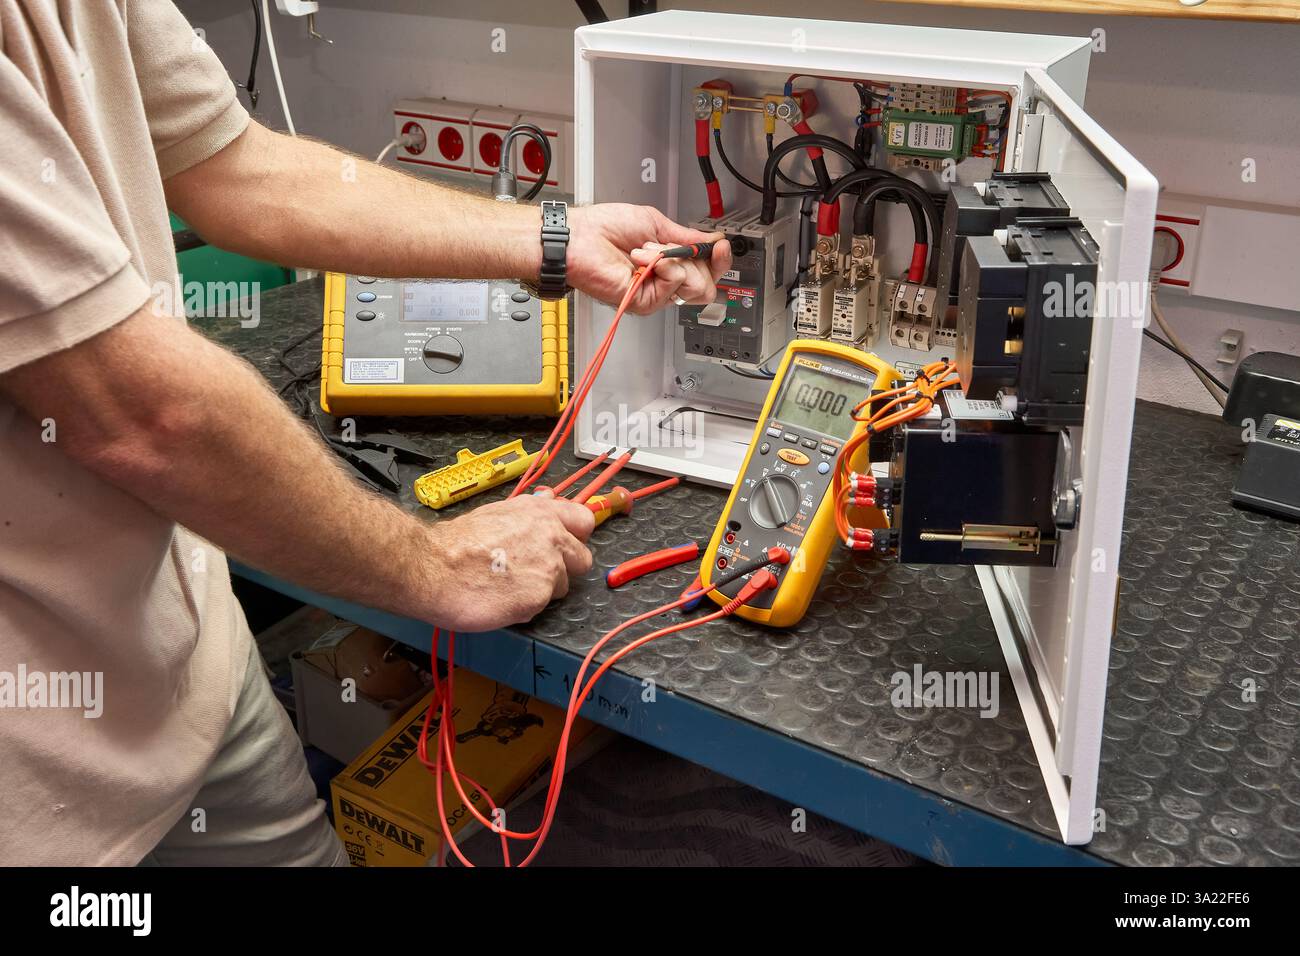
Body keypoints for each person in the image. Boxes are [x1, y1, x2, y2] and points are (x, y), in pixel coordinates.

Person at [0, 0, 730, 865]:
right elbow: (145, 414)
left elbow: (236, 165)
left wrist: (555, 234)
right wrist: (436, 564)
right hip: (36, 780)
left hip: (188, 663)